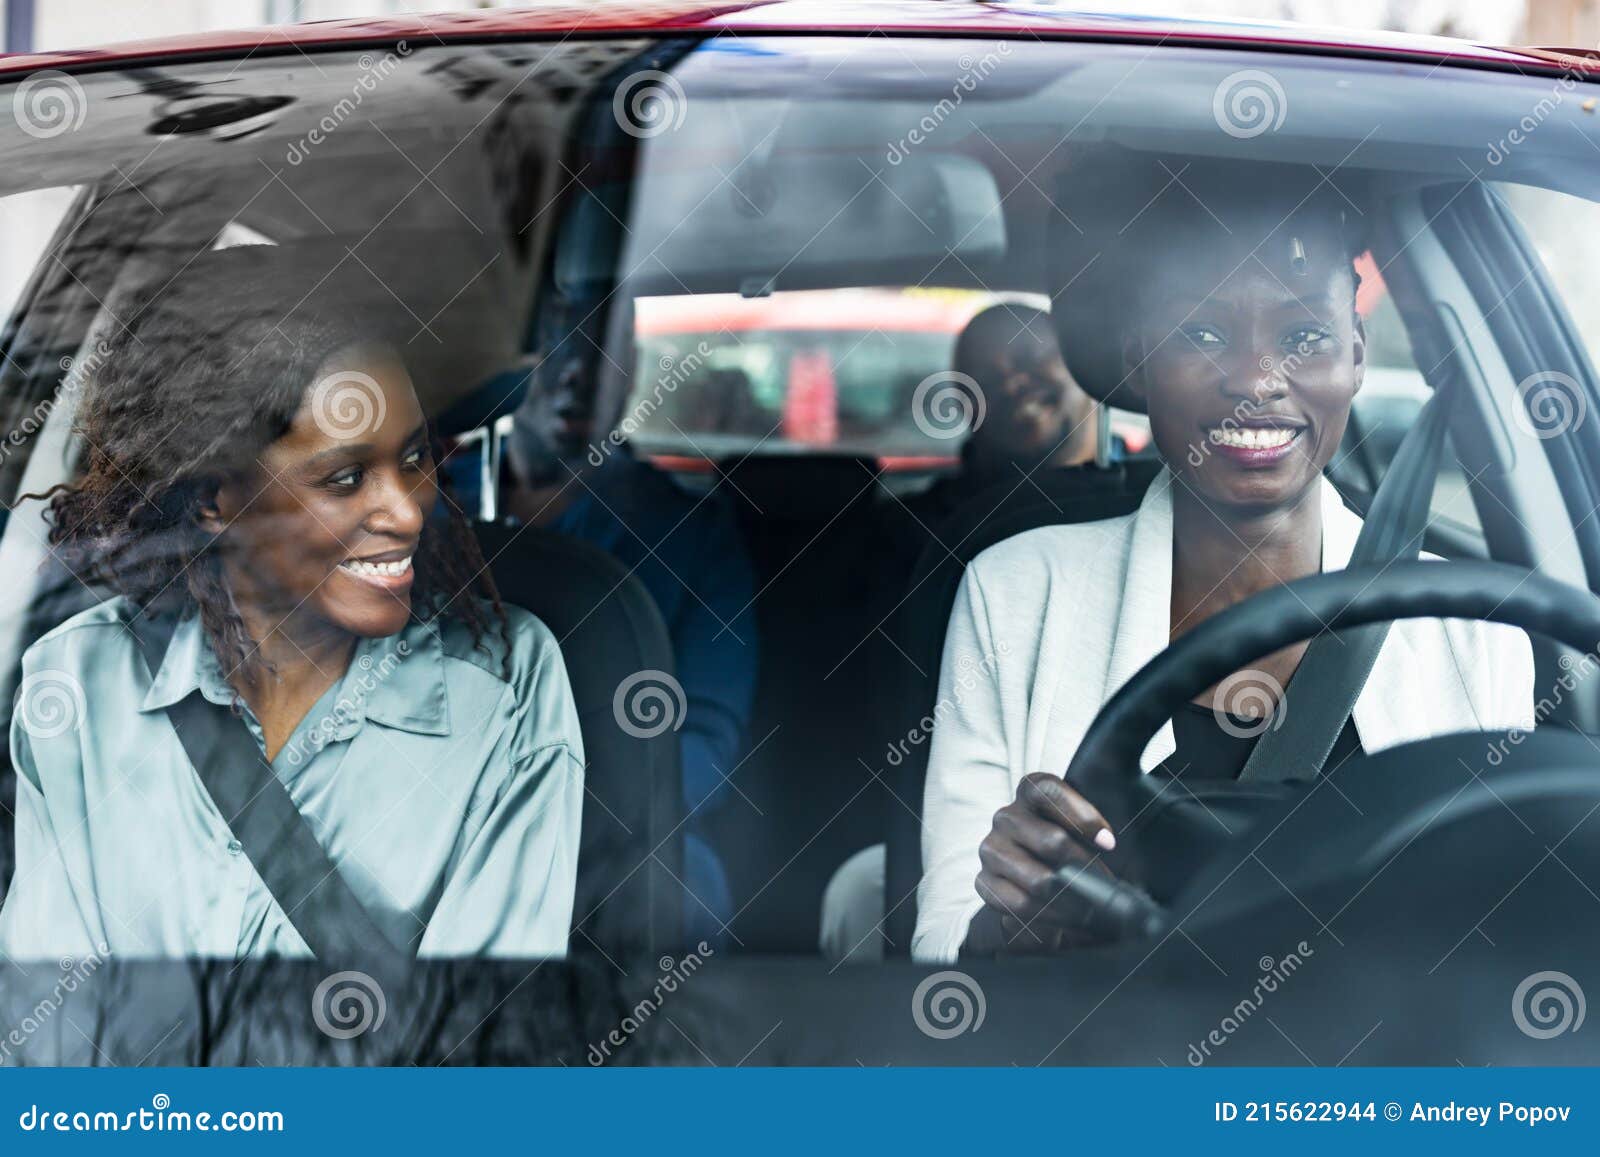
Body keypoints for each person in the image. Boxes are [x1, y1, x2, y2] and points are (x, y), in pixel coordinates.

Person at [913, 174, 1535, 963]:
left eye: (1304, 335)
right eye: (1202, 335)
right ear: (1139, 359)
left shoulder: (1472, 629)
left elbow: (1499, 944)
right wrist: (1011, 921)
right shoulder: (1016, 594)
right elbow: (939, 954)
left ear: (1355, 357)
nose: (1254, 379)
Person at [0, 251, 584, 959]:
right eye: (345, 477)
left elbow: (486, 1044)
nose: (406, 512)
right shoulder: (78, 682)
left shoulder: (504, 689)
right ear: (213, 497)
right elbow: (54, 1029)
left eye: (413, 458)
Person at [501, 331, 757, 948]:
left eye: (602, 349)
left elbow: (702, 744)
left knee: (684, 882)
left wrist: (568, 824)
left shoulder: (689, 533)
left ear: (633, 372)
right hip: (442, 810)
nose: (576, 376)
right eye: (554, 348)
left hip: (622, 833)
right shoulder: (420, 503)